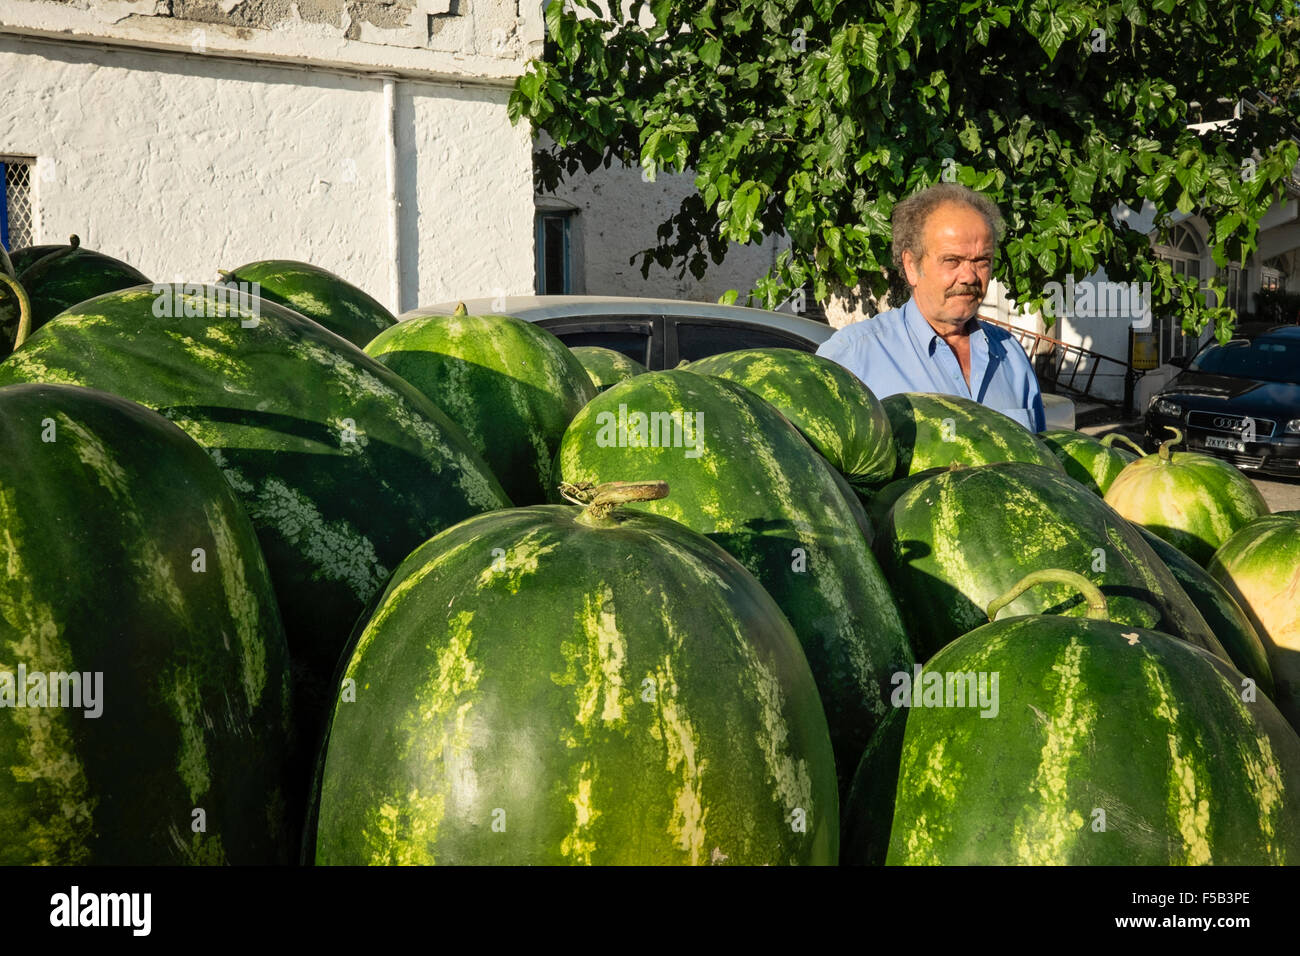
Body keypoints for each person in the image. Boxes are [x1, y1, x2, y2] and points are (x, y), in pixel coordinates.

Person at [816, 183, 1046, 432]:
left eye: (981, 261)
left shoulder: (1010, 355)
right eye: (952, 260)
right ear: (911, 266)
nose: (969, 276)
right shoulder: (852, 357)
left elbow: (1038, 464)